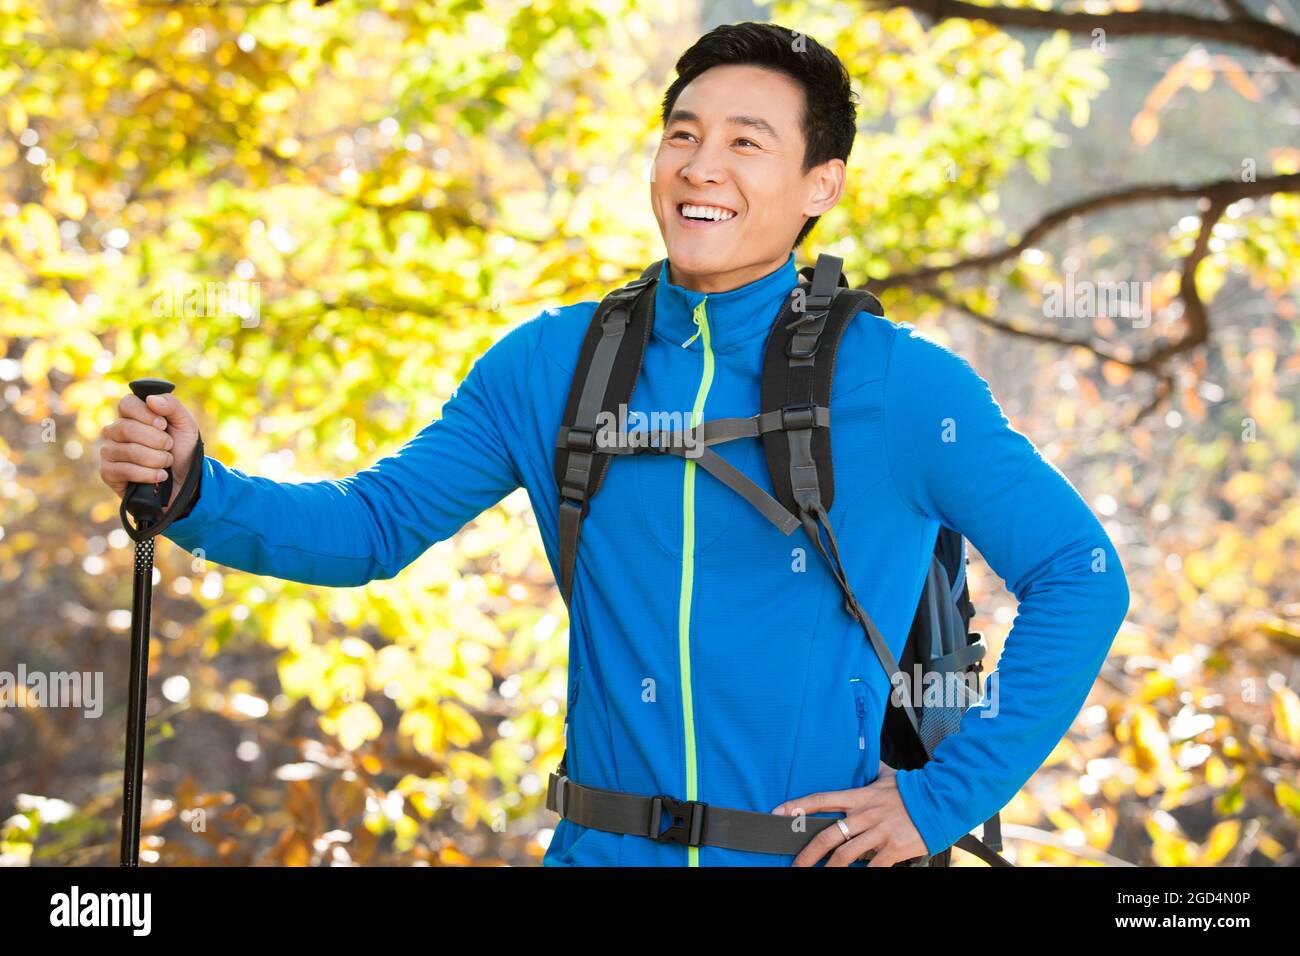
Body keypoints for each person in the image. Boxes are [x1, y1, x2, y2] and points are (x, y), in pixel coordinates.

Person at [97, 22, 1129, 867]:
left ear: (822, 184)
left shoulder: (902, 385)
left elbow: (1081, 573)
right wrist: (195, 487)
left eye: (745, 142)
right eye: (681, 135)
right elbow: (371, 526)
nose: (700, 167)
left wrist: (938, 801)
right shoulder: (551, 365)